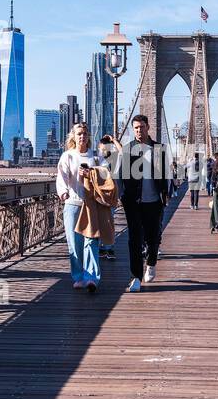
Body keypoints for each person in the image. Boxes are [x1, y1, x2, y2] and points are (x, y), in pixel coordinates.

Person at [113, 114, 170, 292]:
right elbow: (118, 174)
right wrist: (122, 194)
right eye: (136, 128)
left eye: (142, 127)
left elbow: (167, 174)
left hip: (154, 201)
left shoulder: (159, 149)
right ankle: (135, 277)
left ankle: (151, 262)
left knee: (153, 238)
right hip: (133, 202)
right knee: (134, 240)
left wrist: (166, 193)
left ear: (148, 127)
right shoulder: (126, 150)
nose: (139, 130)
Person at [55, 121, 105, 293]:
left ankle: (92, 278)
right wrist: (63, 192)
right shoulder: (67, 156)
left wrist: (92, 173)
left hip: (91, 205)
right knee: (74, 244)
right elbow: (62, 176)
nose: (82, 136)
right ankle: (78, 277)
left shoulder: (96, 156)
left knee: (91, 241)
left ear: (88, 136)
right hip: (72, 205)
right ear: (73, 137)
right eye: (79, 134)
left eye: (84, 133)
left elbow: (106, 174)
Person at [96, 135, 120, 260]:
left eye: (103, 147)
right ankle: (100, 248)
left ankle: (109, 248)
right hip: (98, 194)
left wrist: (114, 140)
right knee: (99, 222)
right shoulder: (96, 158)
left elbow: (123, 153)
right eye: (100, 147)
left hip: (110, 195)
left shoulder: (113, 158)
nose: (101, 149)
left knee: (109, 222)